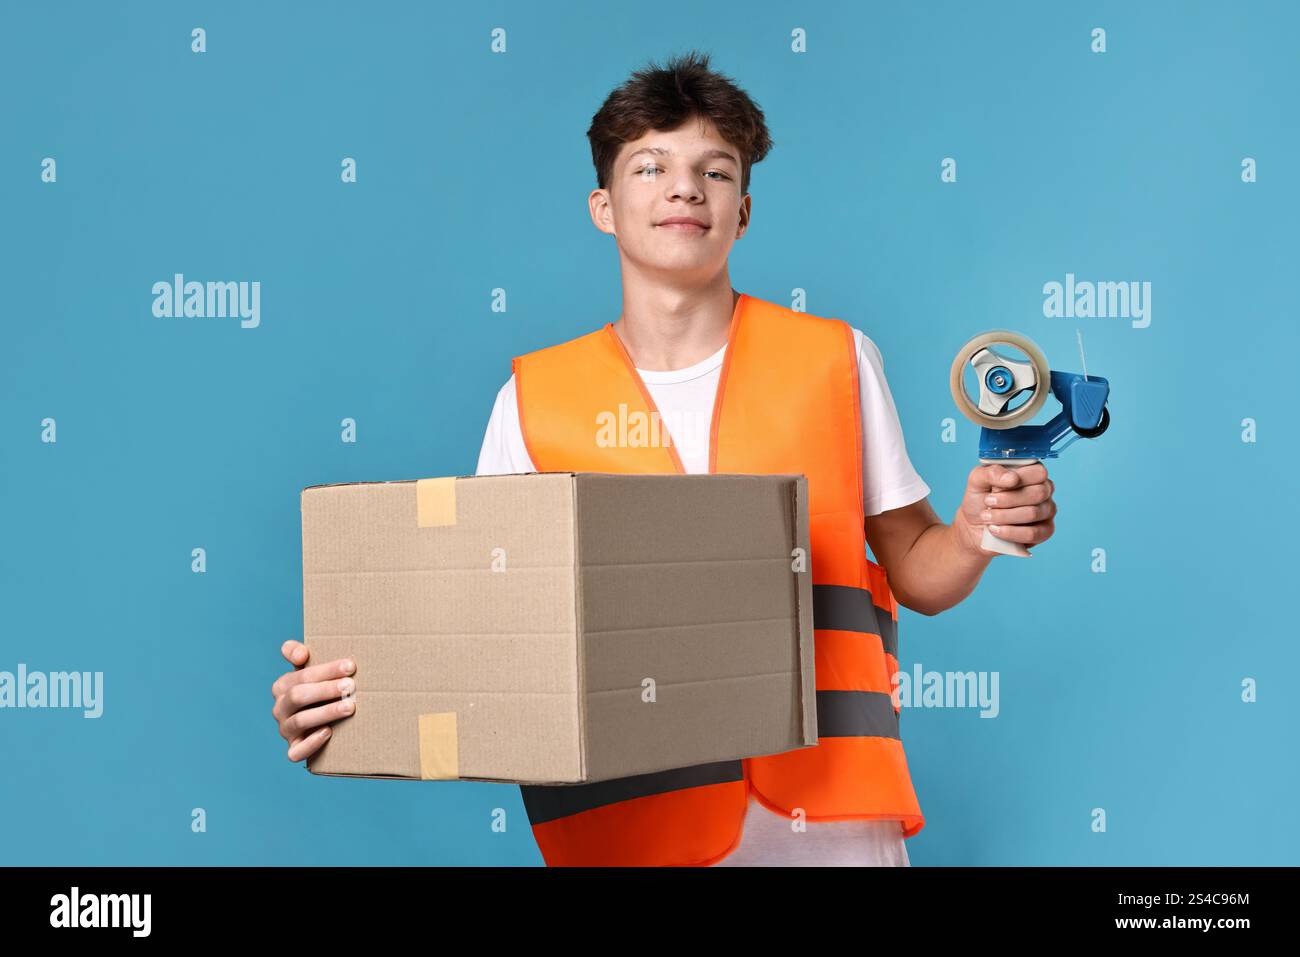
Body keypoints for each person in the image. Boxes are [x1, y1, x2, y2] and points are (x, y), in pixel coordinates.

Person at [271, 50, 1057, 867]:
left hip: (829, 828)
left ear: (742, 211)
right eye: (650, 166)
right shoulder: (533, 401)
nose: (685, 188)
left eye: (714, 172)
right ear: (603, 207)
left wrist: (975, 532)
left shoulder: (836, 359)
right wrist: (347, 694)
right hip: (630, 835)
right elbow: (480, 637)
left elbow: (918, 571)